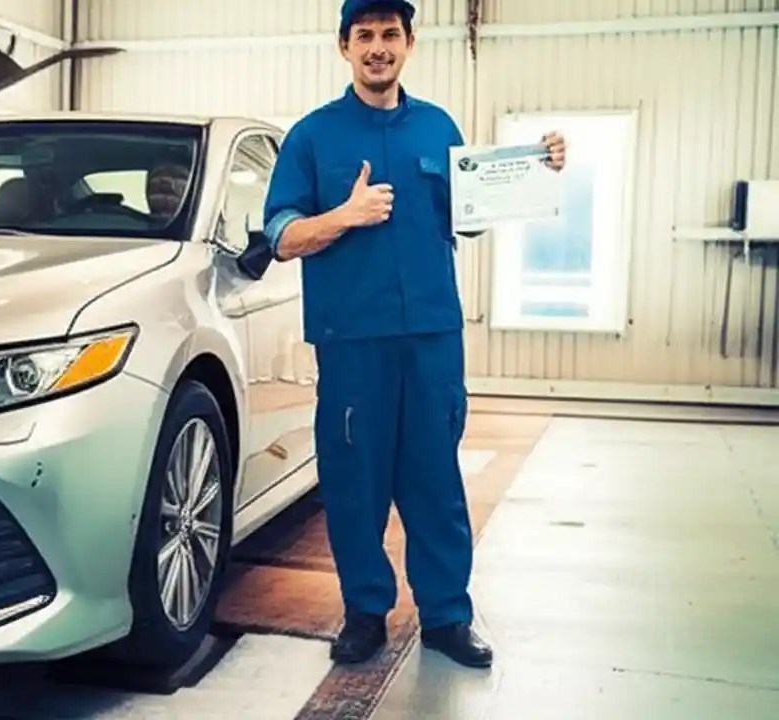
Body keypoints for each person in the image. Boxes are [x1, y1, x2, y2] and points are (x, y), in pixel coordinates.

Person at [261, 0, 566, 669]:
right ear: (343, 46)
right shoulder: (312, 137)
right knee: (355, 482)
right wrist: (344, 214)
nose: (378, 47)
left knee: (434, 479)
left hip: (431, 336)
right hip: (353, 343)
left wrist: (535, 166)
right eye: (364, 35)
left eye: (389, 34)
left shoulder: (438, 128)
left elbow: (472, 213)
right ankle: (364, 614)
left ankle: (448, 618)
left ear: (409, 44)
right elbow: (280, 236)